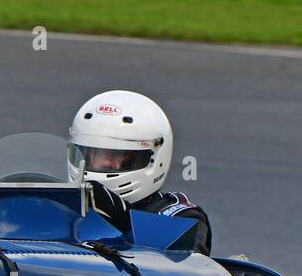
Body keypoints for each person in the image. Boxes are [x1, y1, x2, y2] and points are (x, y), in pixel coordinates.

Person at [66, 89, 211, 254]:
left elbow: (186, 260)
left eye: (117, 156)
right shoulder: (63, 207)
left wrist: (122, 218)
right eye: (92, 154)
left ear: (154, 159)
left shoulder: (180, 215)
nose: (103, 162)